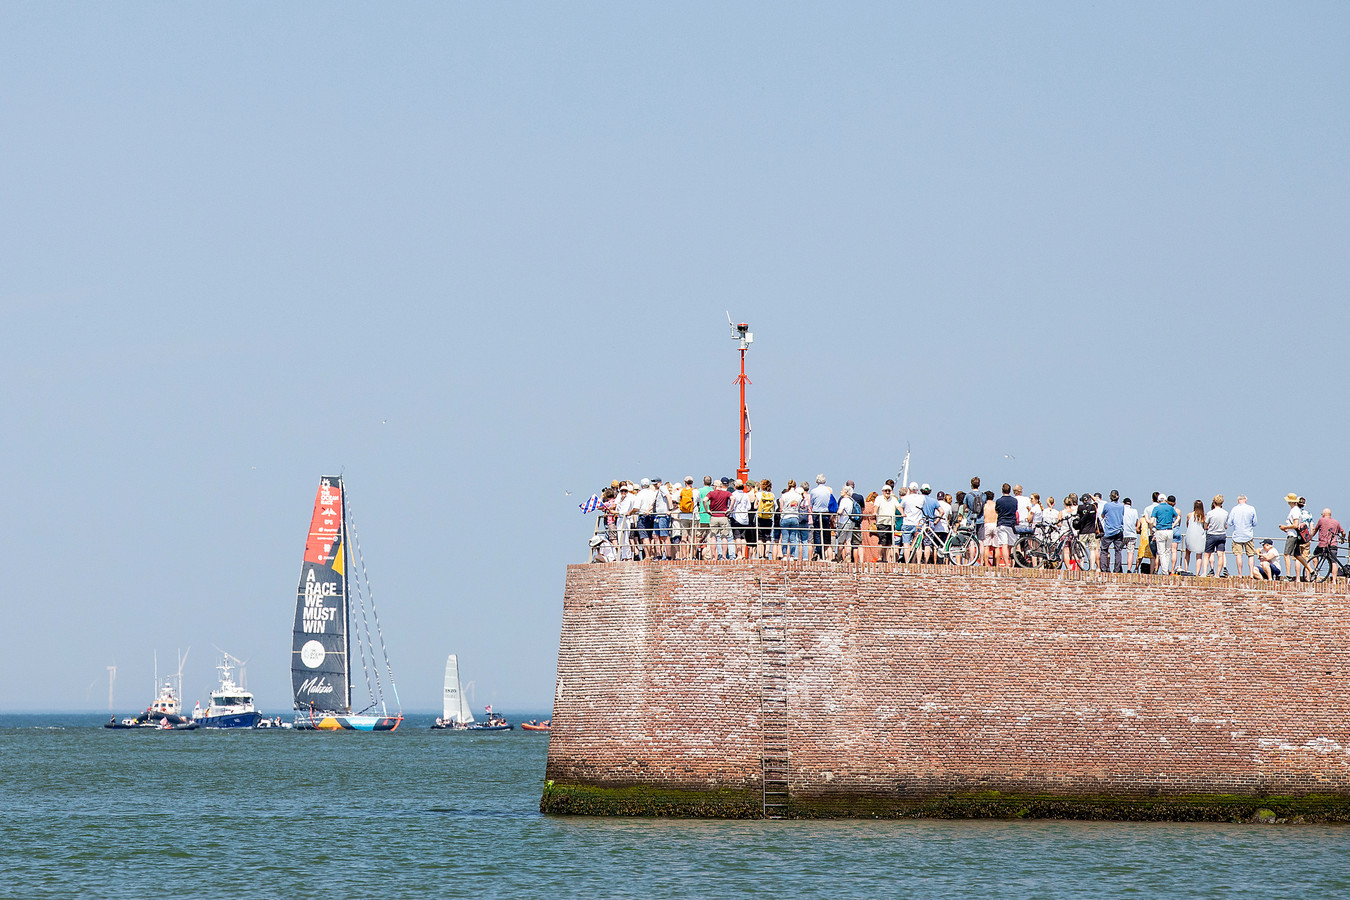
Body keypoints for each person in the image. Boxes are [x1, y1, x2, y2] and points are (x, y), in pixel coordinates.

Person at [1279, 492, 1310, 580]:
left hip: (1292, 535)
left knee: (1286, 554)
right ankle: (1311, 571)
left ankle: (1288, 575)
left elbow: (1295, 525)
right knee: (1297, 555)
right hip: (1293, 534)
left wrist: (1285, 527)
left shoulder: (1295, 510)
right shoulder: (1296, 510)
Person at [1310, 508, 1346, 582]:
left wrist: (1310, 538)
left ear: (1323, 514)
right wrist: (1342, 539)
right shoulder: (1336, 522)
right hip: (1333, 544)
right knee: (1334, 562)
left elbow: (1315, 530)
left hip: (1322, 544)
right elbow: (1343, 532)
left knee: (1315, 555)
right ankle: (1334, 580)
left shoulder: (1321, 520)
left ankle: (1315, 572)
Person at [1229, 495, 1259, 578]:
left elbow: (1230, 522)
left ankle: (1240, 574)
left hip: (1237, 535)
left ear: (1238, 501)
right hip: (1248, 535)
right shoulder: (1251, 508)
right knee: (1251, 555)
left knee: (1239, 555)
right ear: (1246, 500)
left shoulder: (1234, 509)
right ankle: (1251, 574)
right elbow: (1255, 522)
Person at [873, 484, 901, 563]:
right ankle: (879, 557)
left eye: (889, 491)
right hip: (882, 522)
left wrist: (903, 513)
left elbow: (898, 507)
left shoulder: (893, 499)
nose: (887, 492)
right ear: (882, 491)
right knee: (882, 541)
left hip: (891, 523)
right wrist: (874, 512)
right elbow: (876, 506)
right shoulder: (879, 498)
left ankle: (886, 558)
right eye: (886, 491)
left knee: (889, 543)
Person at [706, 478, 733, 560]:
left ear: (715, 486)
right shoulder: (726, 493)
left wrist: (707, 510)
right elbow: (733, 498)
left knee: (713, 537)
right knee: (724, 537)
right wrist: (729, 509)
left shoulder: (711, 493)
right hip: (723, 516)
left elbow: (705, 500)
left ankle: (714, 556)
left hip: (714, 516)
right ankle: (724, 556)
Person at [1150, 494, 1177, 575]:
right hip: (1169, 530)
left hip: (1160, 531)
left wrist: (1152, 529)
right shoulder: (1170, 508)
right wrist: (1173, 524)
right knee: (1168, 551)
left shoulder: (1156, 508)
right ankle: (1166, 569)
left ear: (1158, 500)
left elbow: (1151, 521)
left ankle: (1164, 571)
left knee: (1161, 552)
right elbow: (1177, 517)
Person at [1099, 490, 1126, 573]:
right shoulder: (1121, 506)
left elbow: (1102, 515)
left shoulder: (1107, 505)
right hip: (1119, 531)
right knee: (1118, 551)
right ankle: (1117, 569)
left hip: (1108, 531)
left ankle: (1103, 568)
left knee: (1104, 550)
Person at [809, 475, 834, 561]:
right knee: (825, 532)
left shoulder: (813, 491)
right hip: (825, 513)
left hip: (816, 513)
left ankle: (818, 552)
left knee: (817, 532)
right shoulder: (828, 491)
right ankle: (824, 552)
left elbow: (811, 503)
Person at [1201, 495, 1228, 577]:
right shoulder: (1225, 513)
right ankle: (1217, 574)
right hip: (1222, 534)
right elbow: (1225, 525)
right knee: (1220, 555)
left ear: (1214, 503)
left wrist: (1207, 527)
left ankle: (1205, 572)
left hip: (1212, 534)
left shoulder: (1210, 513)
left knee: (1207, 554)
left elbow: (1205, 525)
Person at [994, 483, 1017, 567]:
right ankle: (1012, 563)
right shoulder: (1014, 501)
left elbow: (996, 511)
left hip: (1002, 523)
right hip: (1011, 524)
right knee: (1012, 545)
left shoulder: (999, 501)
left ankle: (1006, 563)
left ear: (1002, 490)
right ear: (1010, 491)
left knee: (1004, 544)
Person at [1182, 500, 1206, 575]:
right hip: (1200, 536)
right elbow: (1205, 527)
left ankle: (1186, 569)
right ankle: (1197, 573)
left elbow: (1187, 524)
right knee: (1199, 556)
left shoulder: (1190, 515)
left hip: (1190, 535)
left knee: (1187, 552)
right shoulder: (1204, 517)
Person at [755, 479, 776, 560]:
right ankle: (766, 555)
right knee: (767, 537)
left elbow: (755, 506)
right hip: (769, 517)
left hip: (760, 517)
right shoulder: (772, 495)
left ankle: (760, 555)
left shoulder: (759, 494)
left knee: (760, 537)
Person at [1122, 499, 1140, 572]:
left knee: (1118, 551)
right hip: (1132, 534)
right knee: (1130, 552)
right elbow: (1137, 522)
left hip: (1123, 533)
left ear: (1123, 503)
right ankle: (1129, 569)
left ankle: (1118, 567)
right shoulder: (1134, 511)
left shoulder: (1121, 510)